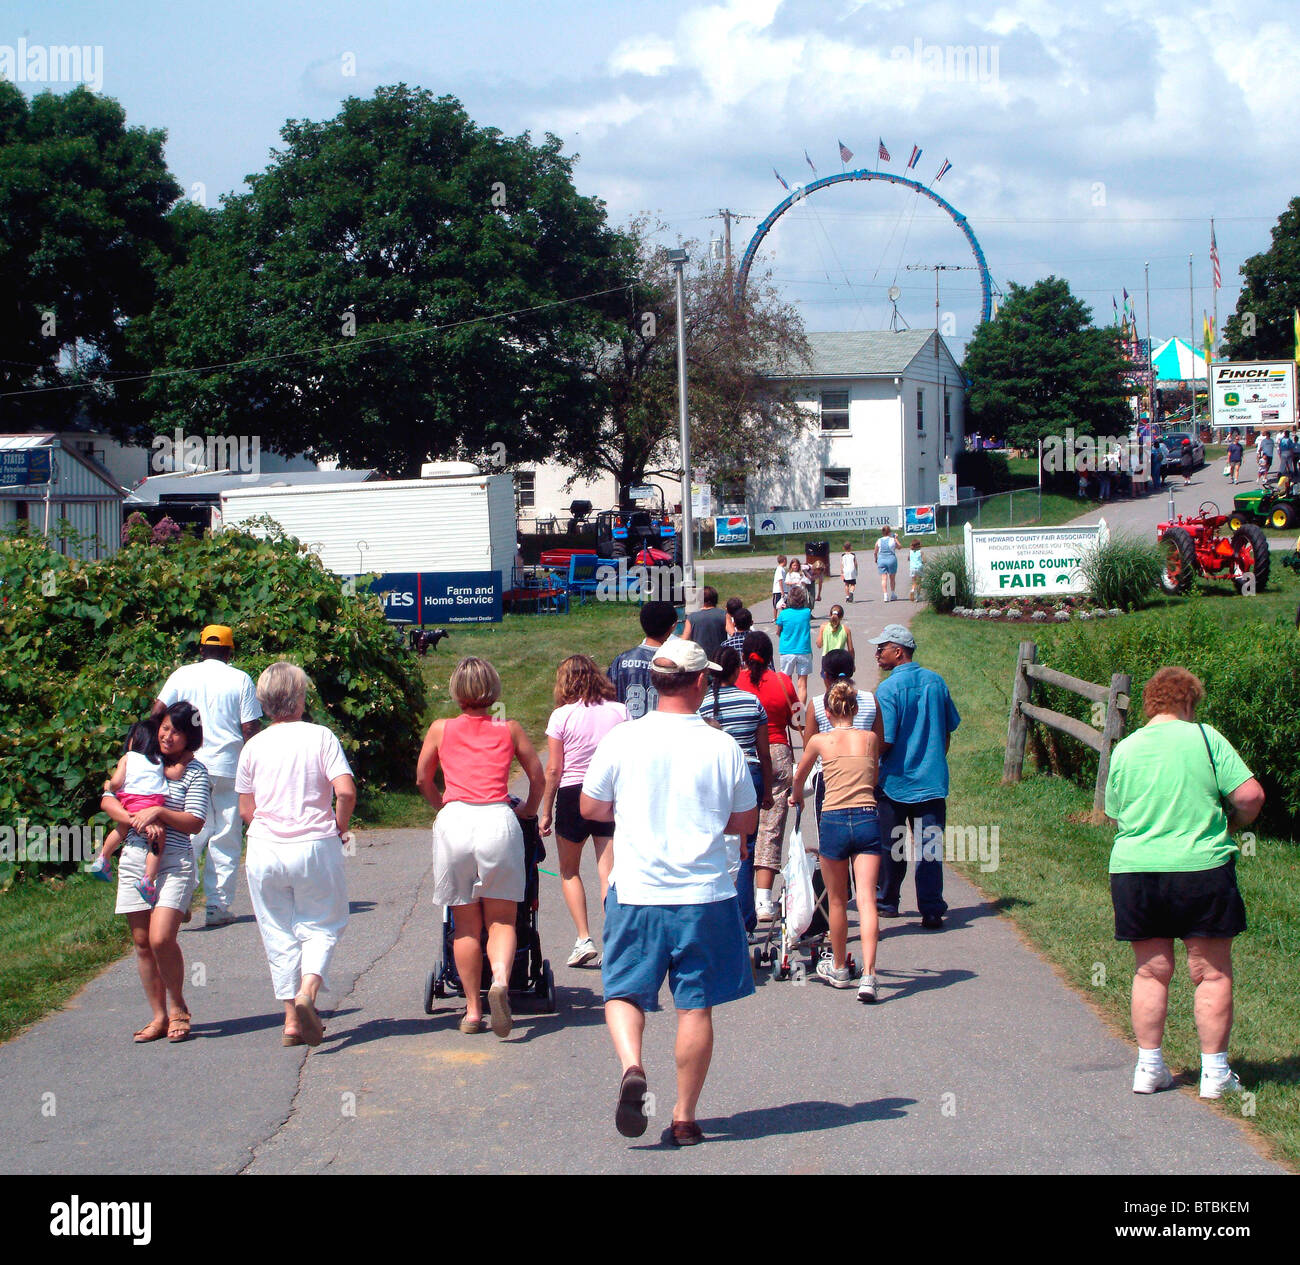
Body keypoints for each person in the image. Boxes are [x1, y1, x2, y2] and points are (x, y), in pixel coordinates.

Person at [580, 638, 759, 1146]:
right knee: (695, 1004)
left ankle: (632, 1067)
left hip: (636, 889)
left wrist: (635, 810)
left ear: (656, 683)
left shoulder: (622, 738)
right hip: (703, 895)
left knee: (622, 990)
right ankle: (683, 1116)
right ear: (701, 682)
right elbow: (745, 820)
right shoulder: (720, 744)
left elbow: (592, 808)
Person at [1104, 666, 1264, 1099]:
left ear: (1151, 703)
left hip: (1136, 870)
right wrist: (1232, 821)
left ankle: (1149, 1067)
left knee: (1151, 971)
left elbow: (1114, 810)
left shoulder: (1127, 747)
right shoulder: (1206, 738)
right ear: (1189, 701)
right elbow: (1250, 796)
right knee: (1210, 974)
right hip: (1201, 867)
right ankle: (1215, 1074)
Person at [417, 657, 545, 1037]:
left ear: (456, 690)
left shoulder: (440, 729)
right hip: (497, 820)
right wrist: (530, 812)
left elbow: (422, 777)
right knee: (503, 919)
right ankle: (502, 982)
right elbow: (538, 776)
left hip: (456, 820)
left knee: (465, 925)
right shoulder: (510, 729)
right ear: (493, 691)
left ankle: (473, 1010)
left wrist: (443, 804)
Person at [236, 662, 356, 1048]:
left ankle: (290, 1019)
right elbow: (346, 791)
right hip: (314, 844)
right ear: (300, 698)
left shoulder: (252, 746)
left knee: (277, 930)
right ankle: (308, 992)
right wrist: (339, 826)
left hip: (265, 848)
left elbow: (245, 810)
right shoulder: (320, 737)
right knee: (322, 923)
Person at [102, 702, 209, 1044]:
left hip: (174, 859)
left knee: (162, 937)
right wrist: (131, 816)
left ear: (189, 737)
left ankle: (178, 1008)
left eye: (176, 731)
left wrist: (159, 812)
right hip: (135, 856)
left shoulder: (196, 772)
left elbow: (195, 822)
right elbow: (110, 796)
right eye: (164, 727)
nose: (167, 735)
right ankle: (158, 1016)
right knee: (142, 942)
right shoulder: (146, 760)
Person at [153, 624, 262, 927]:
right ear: (230, 651)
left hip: (186, 765)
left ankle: (180, 899)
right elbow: (250, 728)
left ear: (200, 648)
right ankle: (217, 906)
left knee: (190, 833)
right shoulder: (240, 678)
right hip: (228, 766)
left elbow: (156, 712)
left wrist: (159, 750)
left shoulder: (182, 675)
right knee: (225, 836)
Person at [789, 681, 883, 1001]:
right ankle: (869, 975)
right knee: (867, 899)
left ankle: (840, 966)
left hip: (835, 821)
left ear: (828, 712)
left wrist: (794, 797)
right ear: (856, 710)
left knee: (838, 901)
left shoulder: (819, 741)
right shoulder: (869, 739)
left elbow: (800, 776)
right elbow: (872, 778)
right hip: (868, 817)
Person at [871, 624, 960, 930]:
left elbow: (887, 739)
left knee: (891, 846)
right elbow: (947, 731)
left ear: (899, 651)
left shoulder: (887, 690)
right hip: (932, 782)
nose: (877, 653)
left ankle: (888, 900)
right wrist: (934, 759)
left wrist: (871, 763)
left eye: (882, 648)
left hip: (895, 782)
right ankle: (932, 908)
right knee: (930, 848)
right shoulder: (937, 683)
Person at [540, 655, 627, 967]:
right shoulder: (620, 711)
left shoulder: (561, 716)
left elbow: (553, 769)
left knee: (569, 870)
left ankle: (583, 937)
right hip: (609, 793)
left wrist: (546, 809)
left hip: (572, 792)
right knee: (610, 871)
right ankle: (614, 940)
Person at [700, 647, 773, 932]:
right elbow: (764, 752)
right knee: (747, 850)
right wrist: (767, 791)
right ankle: (745, 920)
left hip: (714, 778)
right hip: (750, 772)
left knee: (717, 845)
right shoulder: (751, 701)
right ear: (736, 670)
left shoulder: (703, 704)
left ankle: (719, 918)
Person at [735, 630, 799, 923]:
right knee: (771, 828)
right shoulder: (783, 683)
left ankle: (740, 896)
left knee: (740, 831)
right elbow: (797, 721)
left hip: (742, 755)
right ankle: (763, 899)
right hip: (777, 754)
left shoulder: (735, 682)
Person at [88, 719, 167, 901]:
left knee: (121, 828)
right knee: (158, 840)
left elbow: (116, 782)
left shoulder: (127, 758)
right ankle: (148, 879)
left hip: (130, 803)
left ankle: (103, 857)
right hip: (152, 806)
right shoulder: (159, 760)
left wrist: (109, 785)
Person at [608, 600, 680, 721]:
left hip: (627, 730)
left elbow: (608, 698)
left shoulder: (621, 661)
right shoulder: (674, 662)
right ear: (673, 627)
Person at [775, 583, 813, 706]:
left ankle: (788, 708)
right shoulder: (807, 612)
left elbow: (778, 632)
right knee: (802, 684)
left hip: (787, 650)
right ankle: (800, 712)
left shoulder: (784, 614)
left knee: (786, 682)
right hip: (803, 650)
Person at [683, 586, 728, 664]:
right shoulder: (724, 615)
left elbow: (684, 639)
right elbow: (732, 633)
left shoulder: (691, 617)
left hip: (699, 660)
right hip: (719, 658)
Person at [874, 528, 899, 601]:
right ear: (889, 532)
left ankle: (885, 595)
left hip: (881, 559)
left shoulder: (879, 540)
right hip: (891, 559)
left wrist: (876, 558)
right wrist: (896, 538)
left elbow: (875, 551)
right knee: (892, 578)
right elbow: (899, 547)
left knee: (883, 578)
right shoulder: (892, 540)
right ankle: (893, 593)